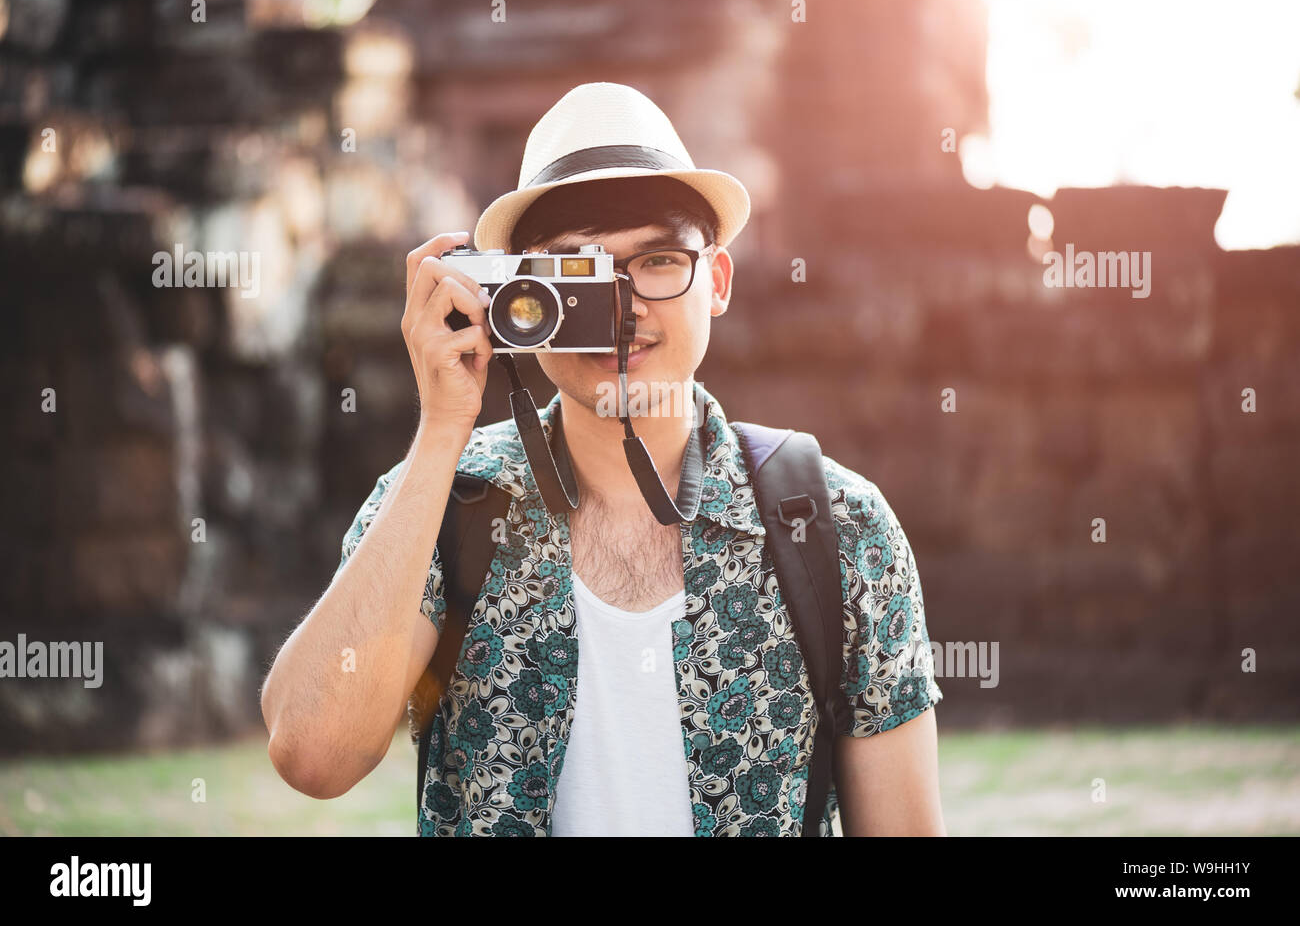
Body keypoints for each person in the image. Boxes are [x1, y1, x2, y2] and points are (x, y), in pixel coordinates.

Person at [261, 82, 944, 836]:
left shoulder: (836, 527)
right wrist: (440, 431)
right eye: (574, 272)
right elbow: (311, 754)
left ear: (715, 281)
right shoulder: (450, 505)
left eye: (655, 260)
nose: (620, 309)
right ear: (514, 299)